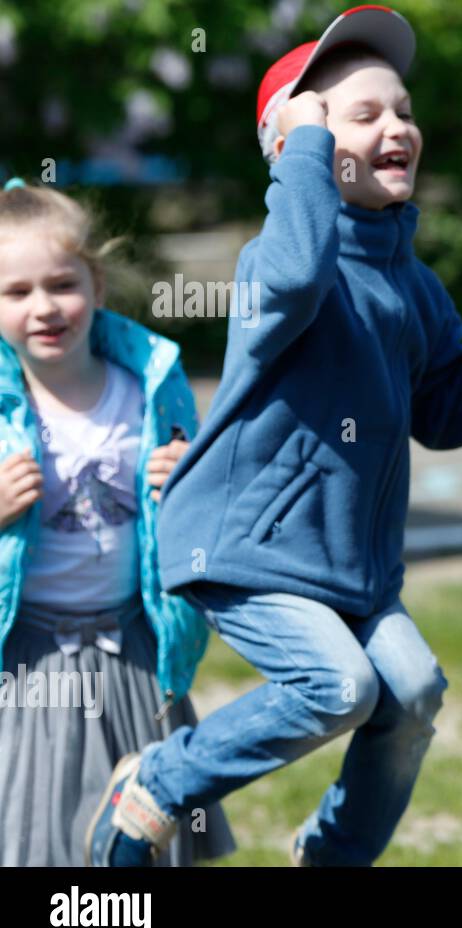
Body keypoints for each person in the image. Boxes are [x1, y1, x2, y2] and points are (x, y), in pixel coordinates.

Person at [86, 5, 462, 866]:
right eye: (359, 115)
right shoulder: (271, 262)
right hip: (248, 547)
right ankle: (159, 784)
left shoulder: (414, 282)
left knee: (415, 692)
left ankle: (330, 858)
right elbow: (300, 266)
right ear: (298, 146)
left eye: (404, 110)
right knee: (339, 686)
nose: (397, 126)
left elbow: (449, 413)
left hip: (354, 573)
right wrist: (304, 150)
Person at [0, 178, 234, 866]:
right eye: (16, 292)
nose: (44, 306)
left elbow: (210, 509)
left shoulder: (149, 389)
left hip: (133, 654)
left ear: (96, 285)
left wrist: (189, 482)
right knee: (34, 839)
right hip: (27, 662)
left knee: (145, 842)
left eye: (61, 284)